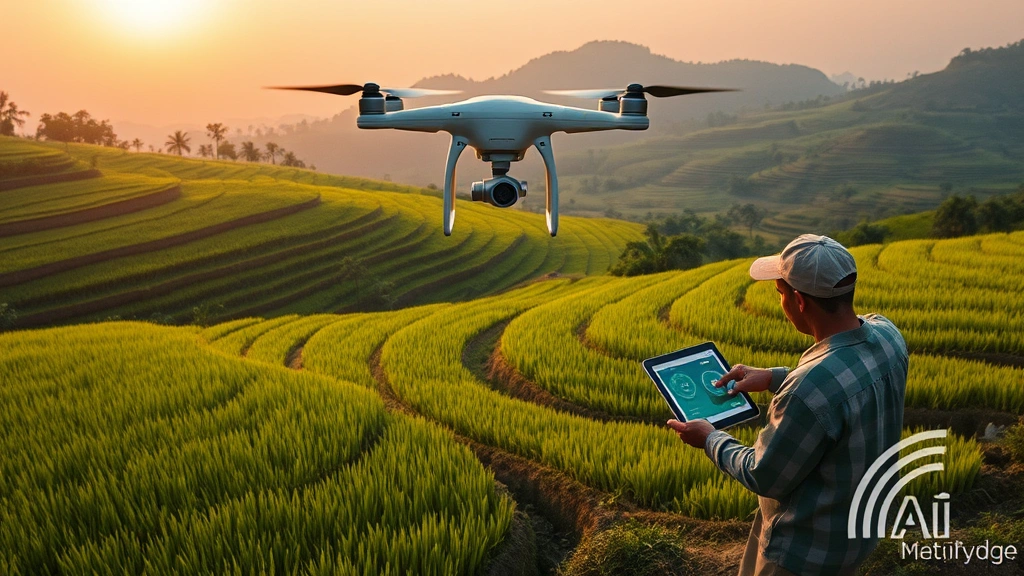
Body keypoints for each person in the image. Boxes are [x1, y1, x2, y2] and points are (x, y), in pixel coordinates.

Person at [667, 234, 908, 576]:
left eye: (780, 294)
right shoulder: (888, 335)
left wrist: (709, 437)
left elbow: (763, 474)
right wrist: (771, 376)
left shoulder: (807, 390)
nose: (781, 303)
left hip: (803, 553)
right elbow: (842, 383)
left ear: (799, 300)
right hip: (855, 535)